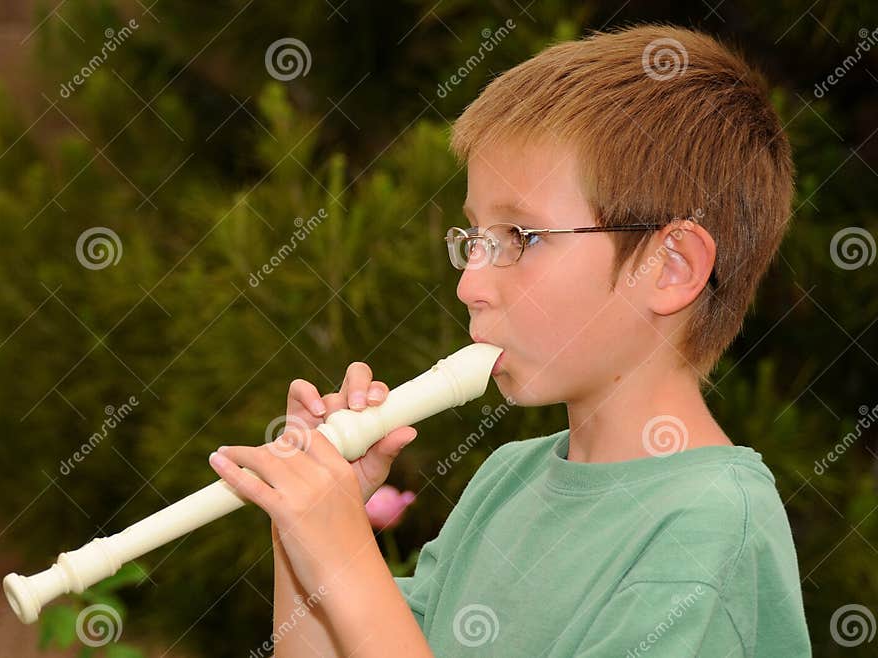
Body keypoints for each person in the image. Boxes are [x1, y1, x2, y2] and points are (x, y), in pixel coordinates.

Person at [209, 23, 811, 657]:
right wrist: (304, 523)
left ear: (671, 268)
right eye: (475, 238)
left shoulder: (711, 530)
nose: (471, 283)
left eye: (522, 238)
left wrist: (349, 558)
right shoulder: (505, 482)